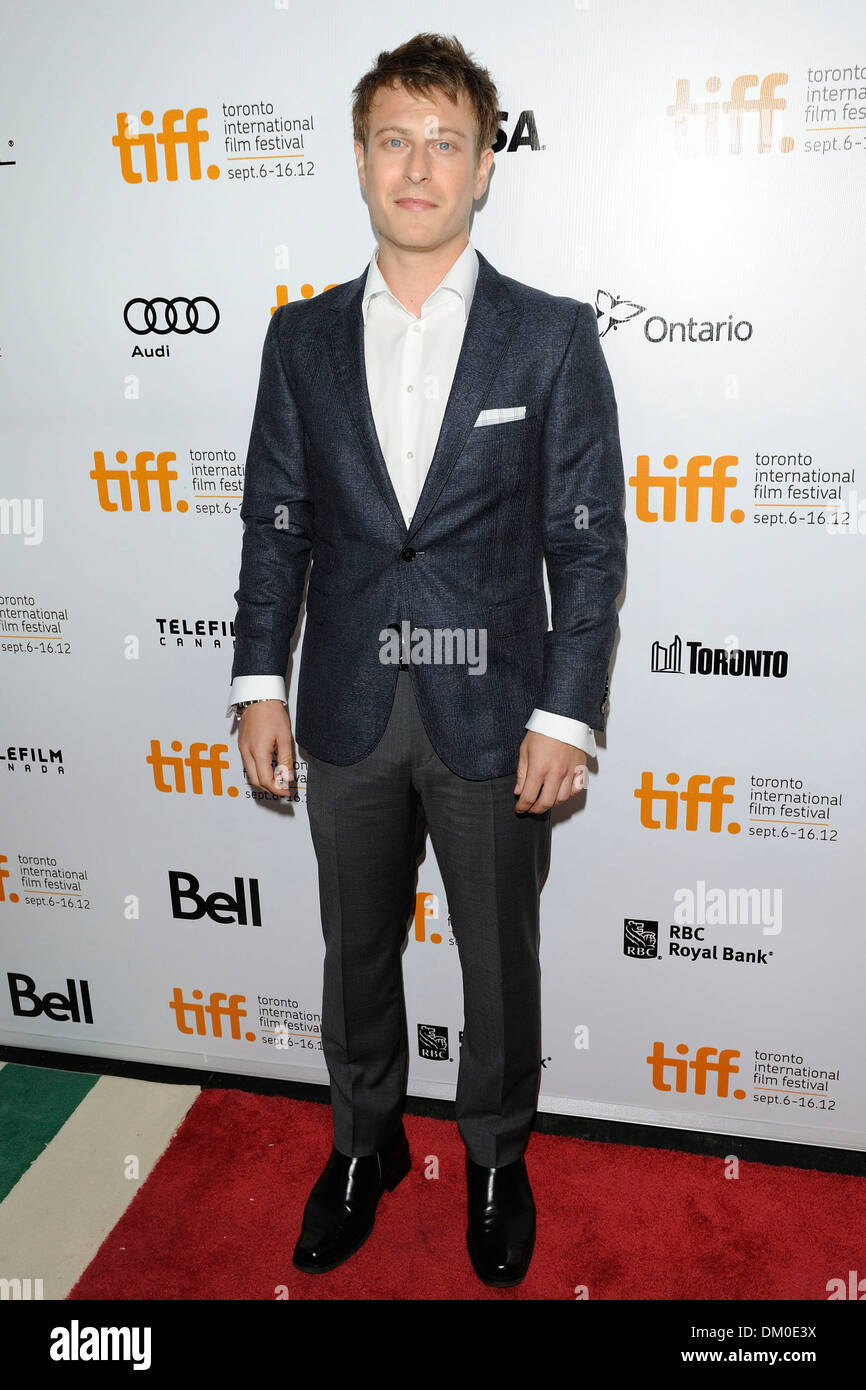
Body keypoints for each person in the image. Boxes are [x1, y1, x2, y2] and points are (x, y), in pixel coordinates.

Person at [228, 32, 627, 1288]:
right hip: (344, 701)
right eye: (393, 139)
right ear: (359, 160)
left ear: (482, 167)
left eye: (444, 141)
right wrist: (256, 681)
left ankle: (497, 1156)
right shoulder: (297, 341)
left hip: (496, 711)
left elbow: (587, 544)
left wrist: (567, 712)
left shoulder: (550, 338)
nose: (418, 165)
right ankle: (364, 1145)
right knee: (356, 947)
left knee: (498, 957)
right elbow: (275, 520)